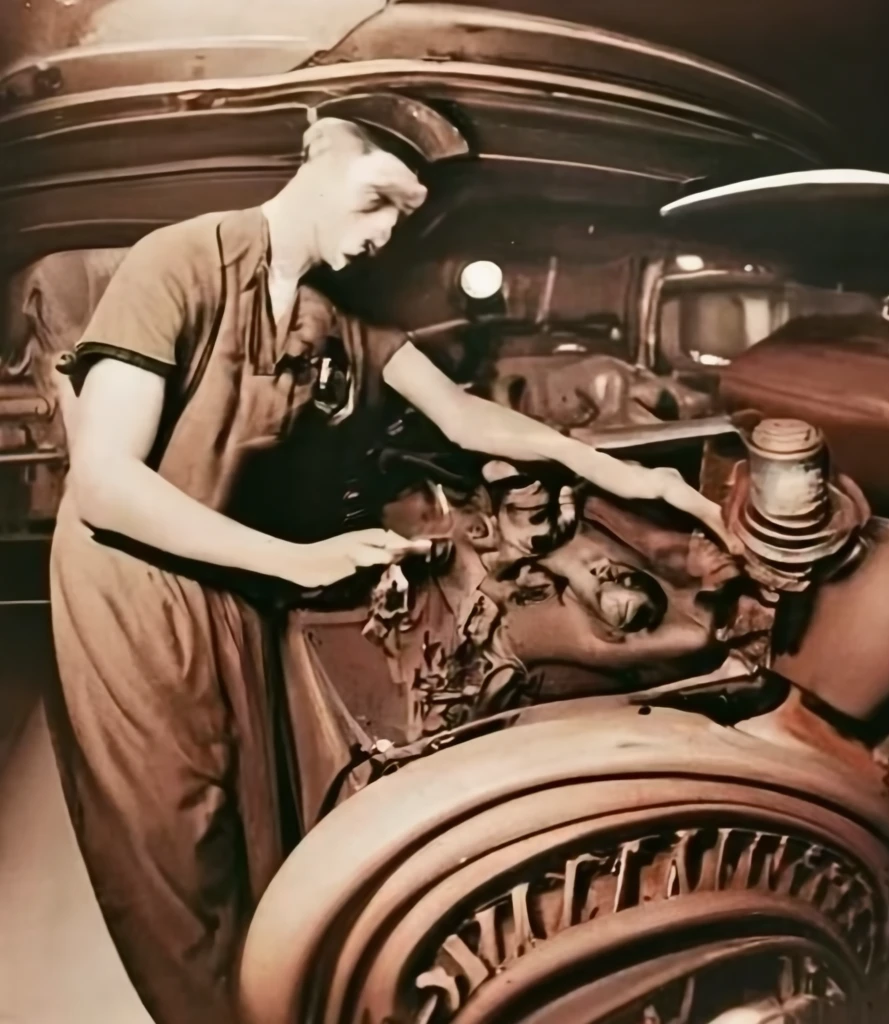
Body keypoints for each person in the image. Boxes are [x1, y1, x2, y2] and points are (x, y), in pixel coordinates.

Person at [47, 115, 739, 1024]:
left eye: (403, 216)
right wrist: (298, 559)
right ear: (317, 153)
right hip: (129, 582)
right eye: (376, 198)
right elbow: (103, 484)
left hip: (230, 578)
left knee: (259, 817)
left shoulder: (341, 315)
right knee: (172, 843)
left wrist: (623, 471)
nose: (383, 232)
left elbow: (467, 418)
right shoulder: (178, 262)